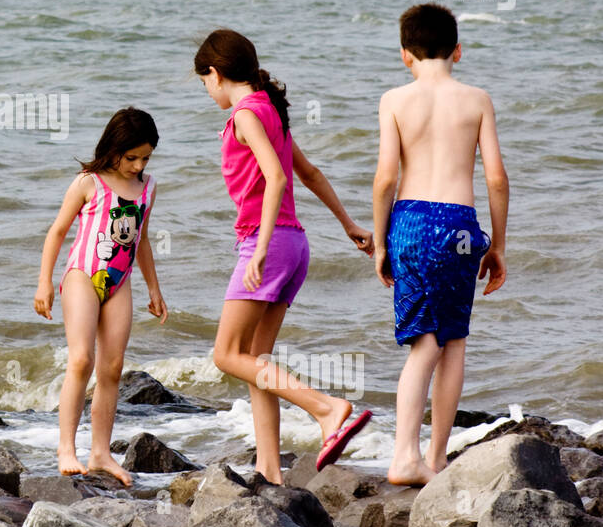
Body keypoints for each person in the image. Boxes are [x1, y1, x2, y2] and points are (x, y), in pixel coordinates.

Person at [195, 29, 374, 483]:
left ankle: (327, 409)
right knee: (258, 360)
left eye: (204, 82)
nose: (206, 91)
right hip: (295, 245)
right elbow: (308, 173)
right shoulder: (271, 112)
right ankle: (270, 469)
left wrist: (258, 250)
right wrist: (348, 224)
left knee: (226, 354)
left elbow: (276, 179)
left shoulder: (245, 116)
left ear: (215, 74)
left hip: (268, 243)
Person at [373, 3, 508, 486]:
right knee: (452, 340)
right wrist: (498, 245)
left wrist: (382, 240)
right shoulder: (477, 99)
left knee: (423, 340)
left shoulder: (393, 100)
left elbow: (386, 177)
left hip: (408, 222)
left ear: (405, 55)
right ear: (458, 50)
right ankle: (431, 458)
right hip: (459, 227)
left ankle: (408, 456)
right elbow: (495, 177)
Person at [35, 107, 168, 486]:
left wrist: (154, 289)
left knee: (111, 368)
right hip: (82, 276)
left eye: (146, 157)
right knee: (81, 359)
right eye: (132, 157)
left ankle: (100, 452)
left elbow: (140, 240)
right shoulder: (88, 182)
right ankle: (65, 449)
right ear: (114, 148)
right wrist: (45, 282)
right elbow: (57, 231)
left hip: (119, 282)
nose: (138, 164)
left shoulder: (148, 187)